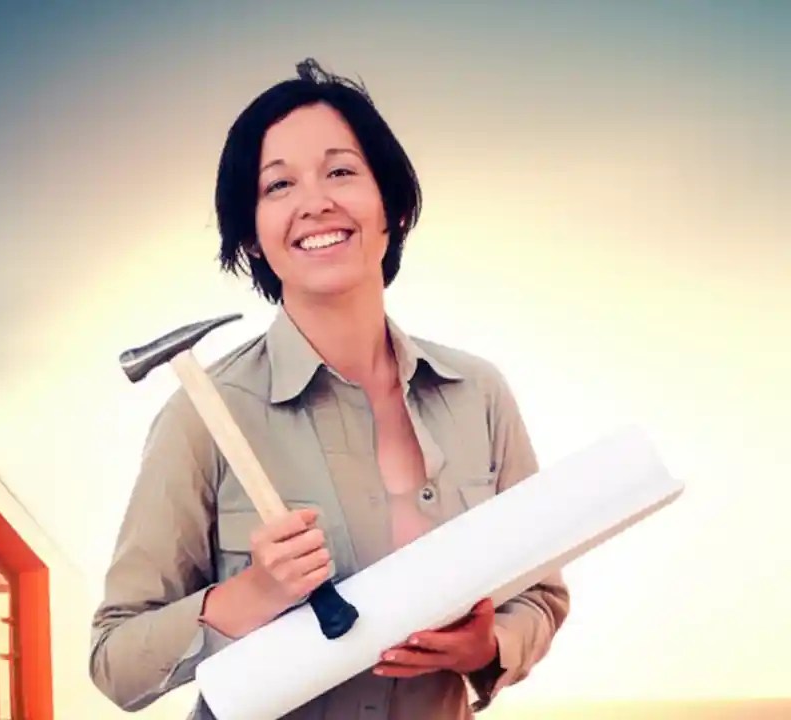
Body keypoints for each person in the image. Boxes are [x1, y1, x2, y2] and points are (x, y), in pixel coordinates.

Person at [89, 58, 569, 719]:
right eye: (278, 184)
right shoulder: (204, 414)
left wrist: (487, 648)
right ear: (253, 239)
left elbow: (540, 593)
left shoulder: (479, 395)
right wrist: (252, 594)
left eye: (341, 171)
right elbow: (115, 661)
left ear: (392, 208)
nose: (315, 201)